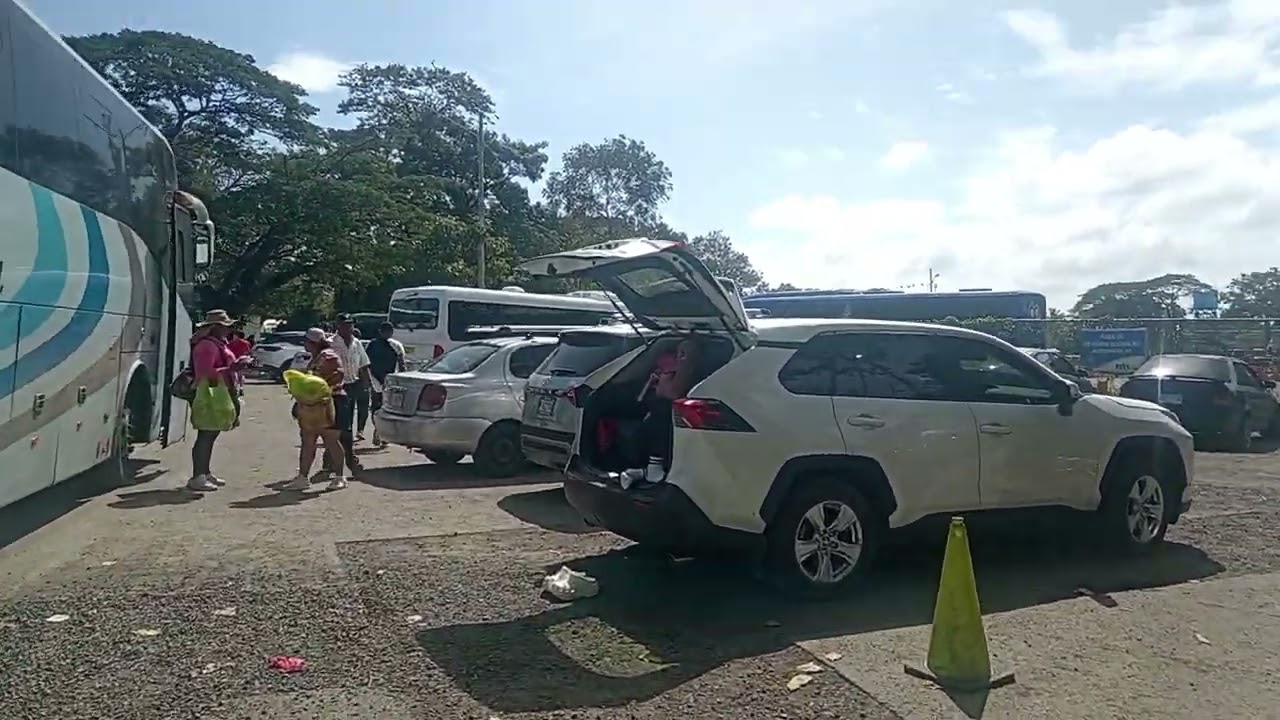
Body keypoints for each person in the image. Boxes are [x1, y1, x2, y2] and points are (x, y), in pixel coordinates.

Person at [623, 339, 699, 486]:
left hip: (669, 419)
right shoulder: (670, 364)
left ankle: (646, 471)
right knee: (662, 411)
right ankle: (649, 469)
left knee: (662, 411)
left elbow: (670, 392)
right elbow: (669, 392)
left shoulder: (685, 368)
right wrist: (686, 358)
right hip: (661, 415)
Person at [188, 309, 250, 491]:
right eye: (224, 326)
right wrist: (232, 368)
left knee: (211, 434)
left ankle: (204, 473)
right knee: (205, 435)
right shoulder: (207, 346)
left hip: (218, 391)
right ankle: (198, 476)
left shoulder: (217, 344)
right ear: (214, 327)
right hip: (210, 393)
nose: (227, 329)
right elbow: (205, 373)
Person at [288, 328, 349, 491]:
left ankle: (339, 476)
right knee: (308, 440)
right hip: (314, 403)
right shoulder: (318, 357)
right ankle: (303, 477)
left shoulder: (327, 357)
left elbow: (329, 378)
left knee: (330, 440)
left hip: (330, 402)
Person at [327, 313, 371, 470]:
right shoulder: (330, 343)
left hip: (352, 386)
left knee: (347, 425)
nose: (348, 327)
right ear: (337, 326)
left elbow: (363, 364)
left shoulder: (356, 343)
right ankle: (335, 461)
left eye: (351, 324)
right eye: (345, 324)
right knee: (336, 426)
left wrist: (367, 384)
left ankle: (344, 460)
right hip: (336, 388)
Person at [364, 321, 406, 447]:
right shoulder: (373, 345)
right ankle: (378, 431)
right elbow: (366, 363)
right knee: (379, 407)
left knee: (383, 407)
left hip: (387, 381)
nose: (388, 333)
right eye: (386, 331)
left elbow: (401, 363)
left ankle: (381, 433)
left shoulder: (395, 345)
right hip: (378, 380)